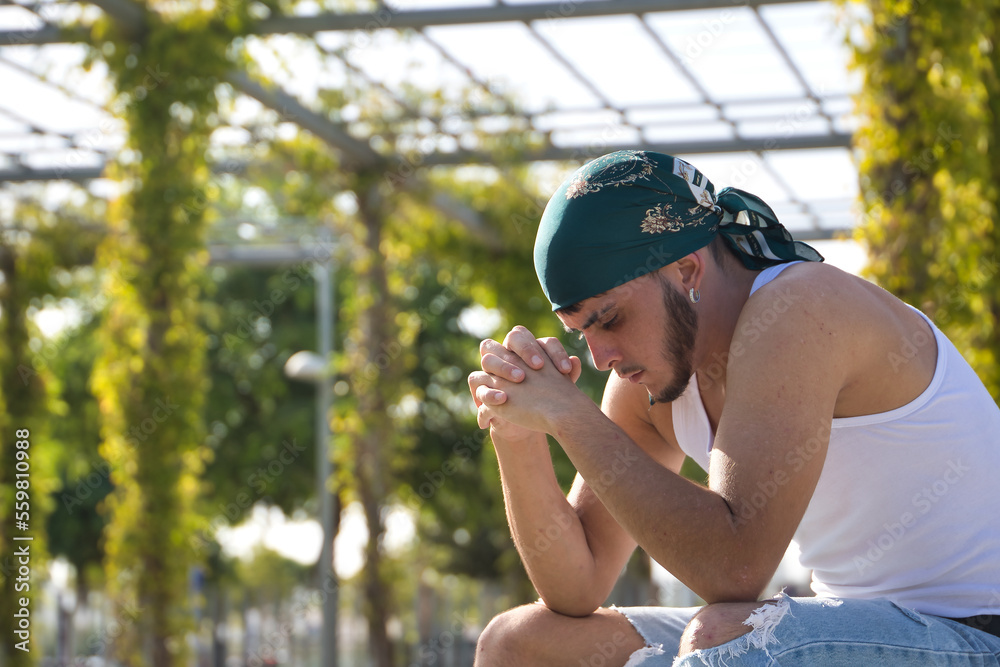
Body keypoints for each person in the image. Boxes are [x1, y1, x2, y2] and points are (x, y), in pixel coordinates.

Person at [466, 150, 1000, 666]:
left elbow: (733, 568)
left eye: (608, 319)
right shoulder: (648, 379)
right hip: (846, 630)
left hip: (975, 635)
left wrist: (571, 417)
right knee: (517, 644)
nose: (600, 357)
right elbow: (577, 586)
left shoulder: (800, 308)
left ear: (686, 270)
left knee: (725, 641)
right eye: (580, 332)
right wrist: (517, 433)